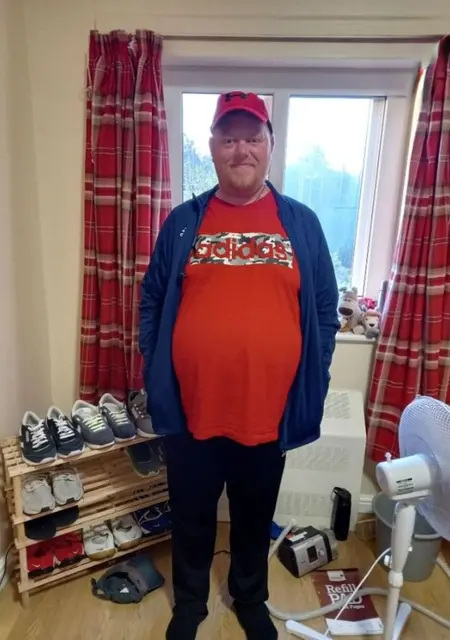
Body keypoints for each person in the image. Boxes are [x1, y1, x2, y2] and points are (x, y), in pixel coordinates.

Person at [139, 91, 340, 640]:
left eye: (253, 137)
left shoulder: (302, 223)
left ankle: (250, 598)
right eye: (229, 138)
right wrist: (156, 366)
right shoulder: (183, 222)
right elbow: (152, 299)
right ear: (212, 148)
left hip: (268, 411)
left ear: (271, 145)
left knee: (253, 514)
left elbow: (325, 309)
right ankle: (190, 603)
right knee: (191, 512)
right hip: (192, 409)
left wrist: (315, 373)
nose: (241, 149)